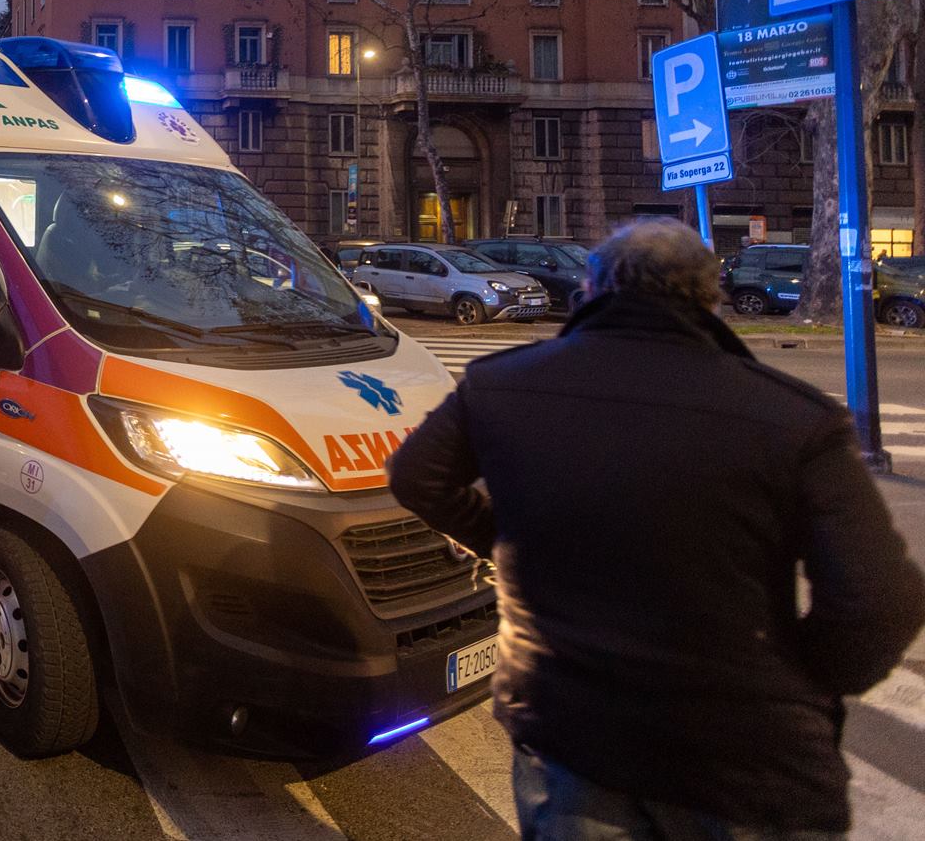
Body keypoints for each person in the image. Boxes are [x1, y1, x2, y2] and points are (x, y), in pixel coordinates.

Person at [387, 219, 925, 839]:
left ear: (592, 290)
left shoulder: (501, 384)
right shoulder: (792, 415)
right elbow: (880, 598)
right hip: (745, 753)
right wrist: (800, 678)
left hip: (573, 727)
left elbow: (416, 477)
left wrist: (504, 541)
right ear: (708, 297)